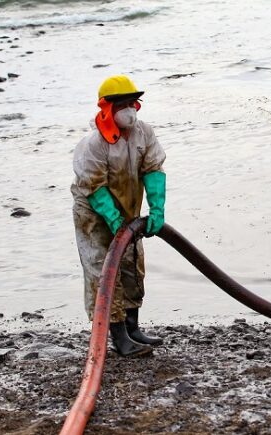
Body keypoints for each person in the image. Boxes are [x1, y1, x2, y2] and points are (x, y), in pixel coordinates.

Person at [71, 75, 167, 357]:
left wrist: (157, 209)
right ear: (107, 108)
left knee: (132, 264)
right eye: (121, 104)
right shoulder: (93, 144)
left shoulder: (144, 133)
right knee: (103, 271)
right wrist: (113, 220)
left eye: (131, 103)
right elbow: (93, 186)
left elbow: (153, 170)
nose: (129, 110)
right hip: (93, 213)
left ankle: (133, 327)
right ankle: (118, 337)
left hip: (128, 209)